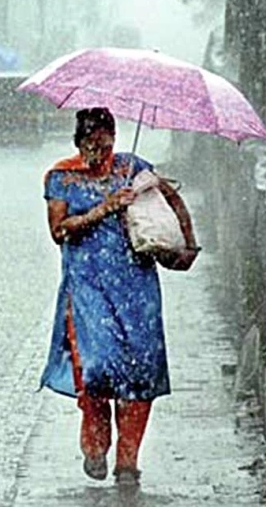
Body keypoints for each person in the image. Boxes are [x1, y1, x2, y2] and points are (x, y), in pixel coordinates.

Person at [41, 107, 199, 486]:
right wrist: (104, 208)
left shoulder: (132, 168)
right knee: (97, 369)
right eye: (92, 144)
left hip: (137, 287)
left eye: (107, 143)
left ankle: (128, 461)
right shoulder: (62, 177)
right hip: (87, 289)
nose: (100, 152)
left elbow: (170, 199)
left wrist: (187, 242)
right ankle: (95, 446)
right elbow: (59, 229)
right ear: (79, 143)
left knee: (139, 372)